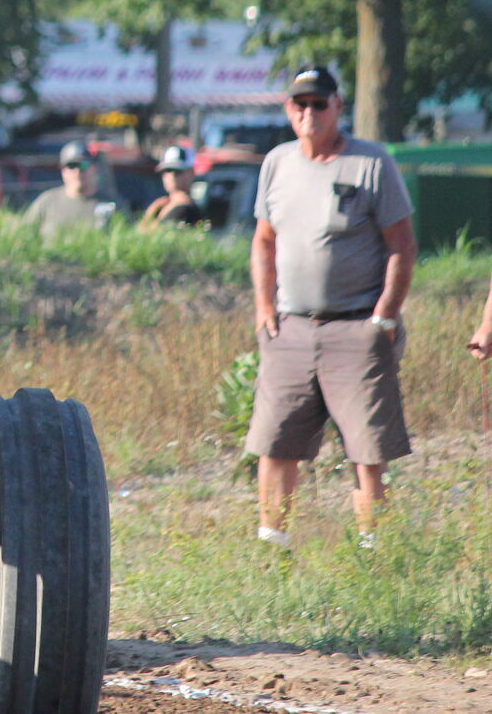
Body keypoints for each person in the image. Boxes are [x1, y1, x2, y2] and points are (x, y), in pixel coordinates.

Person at [245, 65, 416, 551]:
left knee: (366, 449)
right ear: (288, 109)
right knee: (276, 443)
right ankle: (271, 547)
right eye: (301, 103)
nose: (310, 112)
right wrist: (264, 306)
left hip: (356, 327)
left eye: (320, 103)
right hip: (291, 328)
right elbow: (263, 240)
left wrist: (384, 314)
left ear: (339, 107)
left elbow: (401, 243)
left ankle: (371, 551)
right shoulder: (277, 163)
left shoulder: (371, 162)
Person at [20, 141, 112, 239]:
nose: (77, 171)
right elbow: (24, 238)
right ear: (63, 170)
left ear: (95, 168)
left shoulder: (110, 204)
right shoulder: (47, 201)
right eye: (71, 166)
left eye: (83, 165)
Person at [139, 144, 206, 229]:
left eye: (177, 171)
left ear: (190, 173)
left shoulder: (186, 209)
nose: (171, 176)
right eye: (167, 171)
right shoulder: (162, 204)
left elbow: (156, 236)